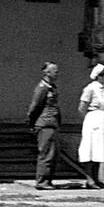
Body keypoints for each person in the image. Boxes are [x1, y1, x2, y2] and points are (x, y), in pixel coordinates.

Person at [77, 62, 104, 189]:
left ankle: (97, 178)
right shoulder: (90, 88)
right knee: (91, 149)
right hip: (93, 119)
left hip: (103, 119)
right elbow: (82, 107)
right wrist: (88, 121)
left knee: (100, 150)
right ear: (99, 76)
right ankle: (89, 179)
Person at [26, 62, 61, 190]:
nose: (57, 74)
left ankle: (48, 180)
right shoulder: (42, 88)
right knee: (46, 154)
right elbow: (35, 107)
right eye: (54, 71)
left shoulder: (52, 87)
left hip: (52, 123)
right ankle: (42, 181)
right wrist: (31, 122)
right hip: (45, 123)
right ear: (46, 72)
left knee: (53, 154)